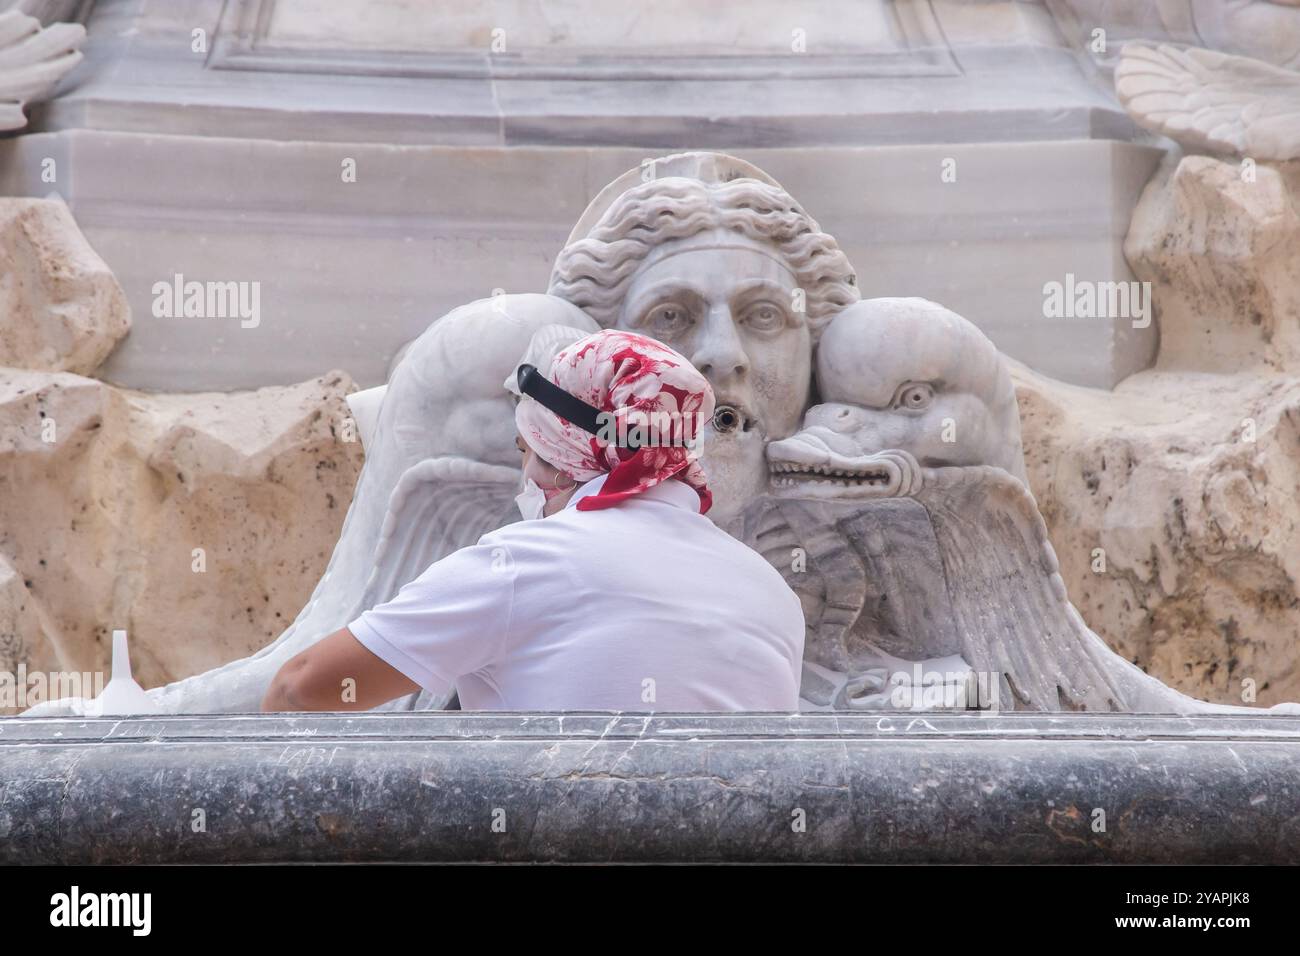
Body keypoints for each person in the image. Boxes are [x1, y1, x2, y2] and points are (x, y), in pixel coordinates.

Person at [261, 329, 806, 712]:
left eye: (526, 447)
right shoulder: (772, 592)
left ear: (563, 455)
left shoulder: (526, 562)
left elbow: (299, 689)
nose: (524, 470)